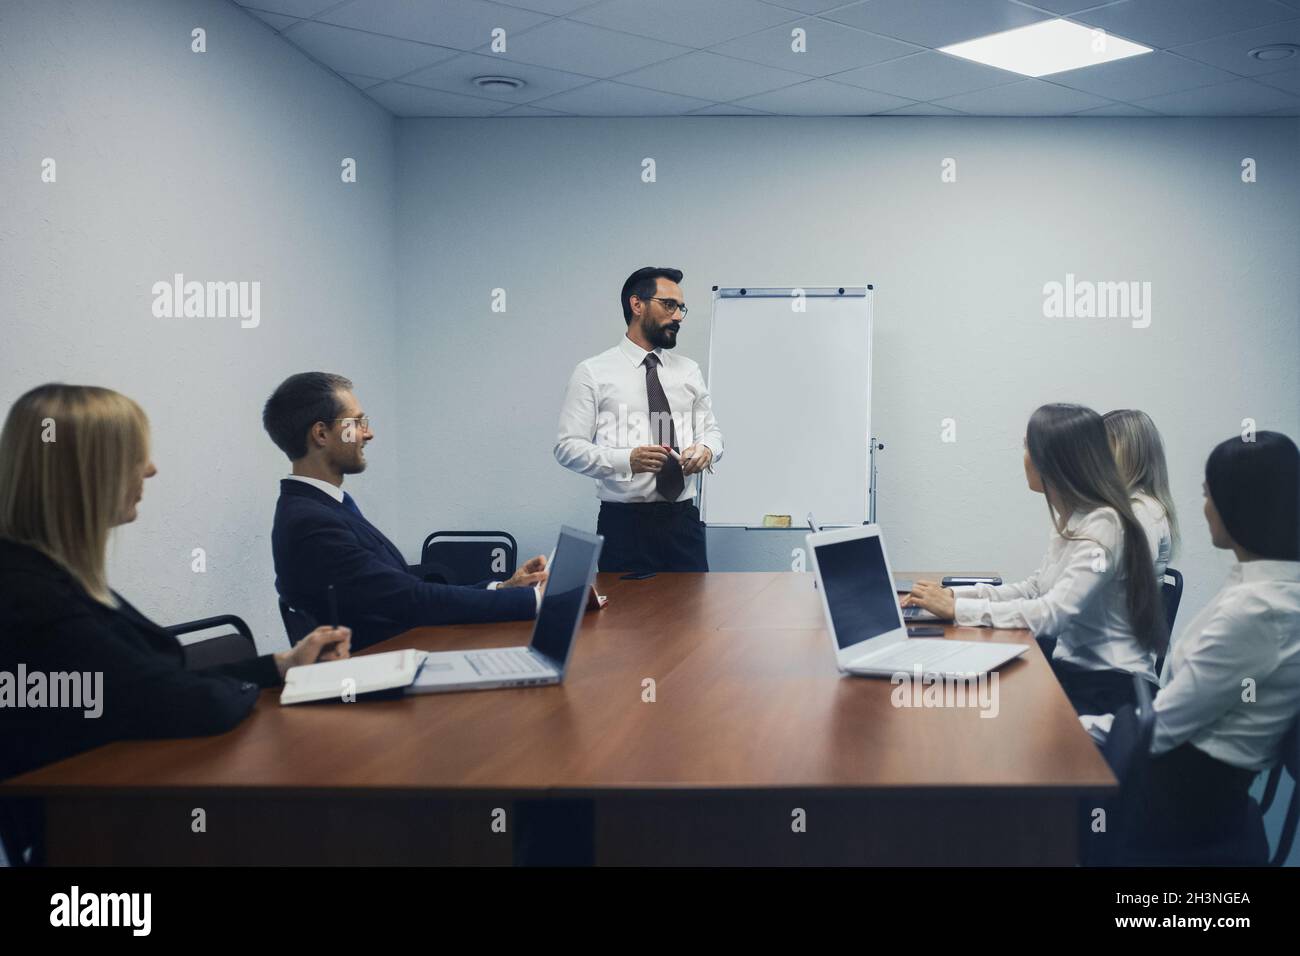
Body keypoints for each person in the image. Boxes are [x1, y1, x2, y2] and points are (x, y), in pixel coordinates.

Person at [0, 384, 349, 786]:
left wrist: (281, 665)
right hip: (91, 830)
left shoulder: (56, 577)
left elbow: (161, 676)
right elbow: (180, 699)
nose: (150, 469)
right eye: (134, 456)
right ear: (84, 472)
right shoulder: (31, 598)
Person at [1093, 431, 1300, 861]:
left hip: (1179, 807)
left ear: (1235, 504)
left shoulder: (1258, 610)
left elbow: (1160, 730)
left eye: (1208, 495)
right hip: (1194, 786)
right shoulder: (1265, 586)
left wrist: (1079, 730)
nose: (1204, 508)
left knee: (1024, 804)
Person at [903, 403, 1164, 715]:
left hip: (1112, 689)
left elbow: (1052, 614)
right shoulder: (1075, 518)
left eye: (1028, 446)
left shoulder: (1104, 525)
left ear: (1053, 461)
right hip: (1079, 676)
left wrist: (958, 608)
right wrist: (951, 596)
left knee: (982, 710)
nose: (1023, 455)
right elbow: (1034, 589)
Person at [264, 372, 545, 650]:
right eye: (358, 422)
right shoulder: (310, 522)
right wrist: (532, 600)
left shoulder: (322, 507)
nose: (368, 433)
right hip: (374, 676)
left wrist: (503, 589)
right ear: (322, 433)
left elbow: (400, 590)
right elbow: (410, 600)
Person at [554, 267, 723, 573]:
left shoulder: (688, 370)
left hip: (683, 523)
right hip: (624, 527)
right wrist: (626, 460)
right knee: (624, 620)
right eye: (669, 305)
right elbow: (567, 448)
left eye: (681, 308)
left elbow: (711, 432)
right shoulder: (593, 372)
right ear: (637, 305)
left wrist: (706, 451)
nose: (678, 317)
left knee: (693, 618)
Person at [1103, 409, 1177, 580]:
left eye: (1102, 449)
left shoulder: (1144, 511)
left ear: (1128, 453)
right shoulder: (1124, 506)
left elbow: (1125, 585)